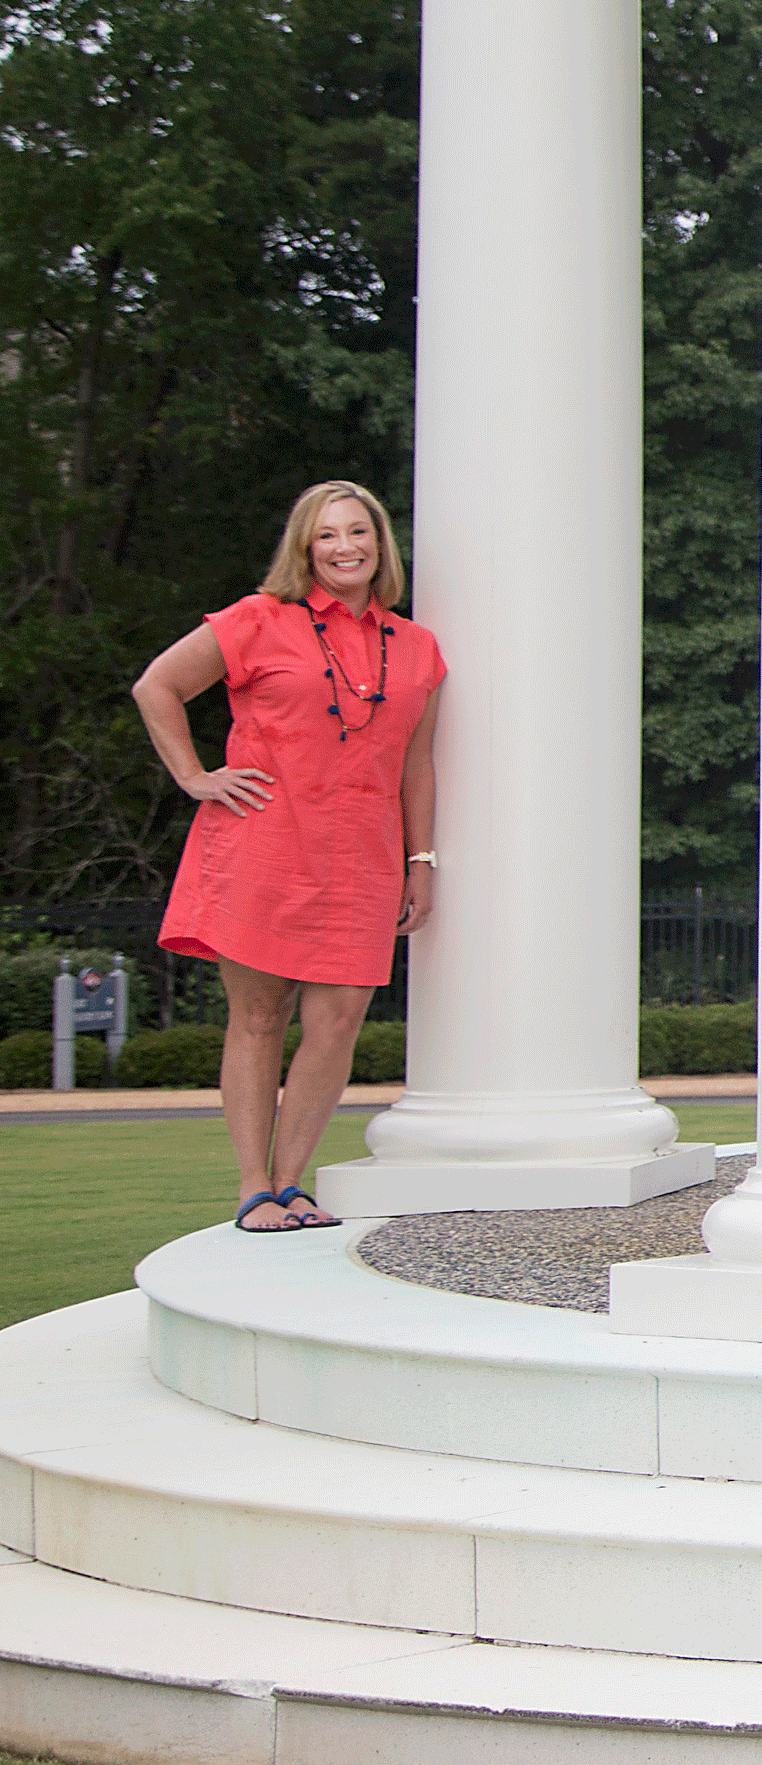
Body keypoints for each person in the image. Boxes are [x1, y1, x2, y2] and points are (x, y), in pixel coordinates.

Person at [133, 480, 445, 1234]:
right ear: (304, 549)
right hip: (266, 842)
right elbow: (159, 685)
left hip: (365, 856)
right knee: (261, 1013)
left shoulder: (417, 646)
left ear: (380, 544)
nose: (345, 548)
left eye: (357, 533)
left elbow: (416, 762)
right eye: (327, 536)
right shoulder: (258, 620)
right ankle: (251, 1186)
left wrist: (422, 859)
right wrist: (194, 776)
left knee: (337, 1021)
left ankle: (290, 1181)